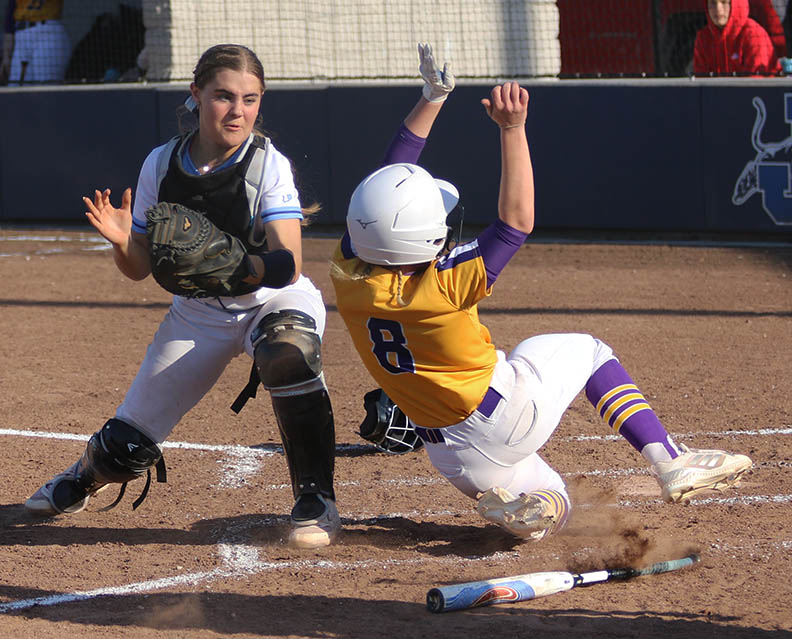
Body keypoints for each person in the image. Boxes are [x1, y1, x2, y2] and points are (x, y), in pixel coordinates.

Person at [330, 58, 753, 541]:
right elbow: (515, 222)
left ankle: (542, 508)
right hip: (505, 415)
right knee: (591, 352)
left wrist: (432, 98)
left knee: (558, 502)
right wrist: (512, 128)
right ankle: (669, 460)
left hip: (453, 456)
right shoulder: (444, 284)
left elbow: (382, 187)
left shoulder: (346, 275)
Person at [24, 44, 340, 550]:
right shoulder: (161, 164)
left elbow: (287, 265)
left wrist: (233, 265)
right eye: (224, 96)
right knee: (126, 447)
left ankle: (315, 500)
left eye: (251, 99)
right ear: (196, 94)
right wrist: (125, 241)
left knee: (289, 353)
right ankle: (81, 479)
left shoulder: (266, 165)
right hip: (199, 314)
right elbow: (140, 270)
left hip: (271, 300)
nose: (238, 110)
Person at [694, 0, 781, 75]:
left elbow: (757, 82)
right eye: (712, 2)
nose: (718, 9)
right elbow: (700, 81)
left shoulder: (753, 34)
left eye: (724, 2)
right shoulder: (703, 38)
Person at [1, 0, 70, 85]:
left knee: (46, 88)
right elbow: (9, 23)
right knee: (15, 87)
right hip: (21, 35)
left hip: (47, 32)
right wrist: (6, 56)